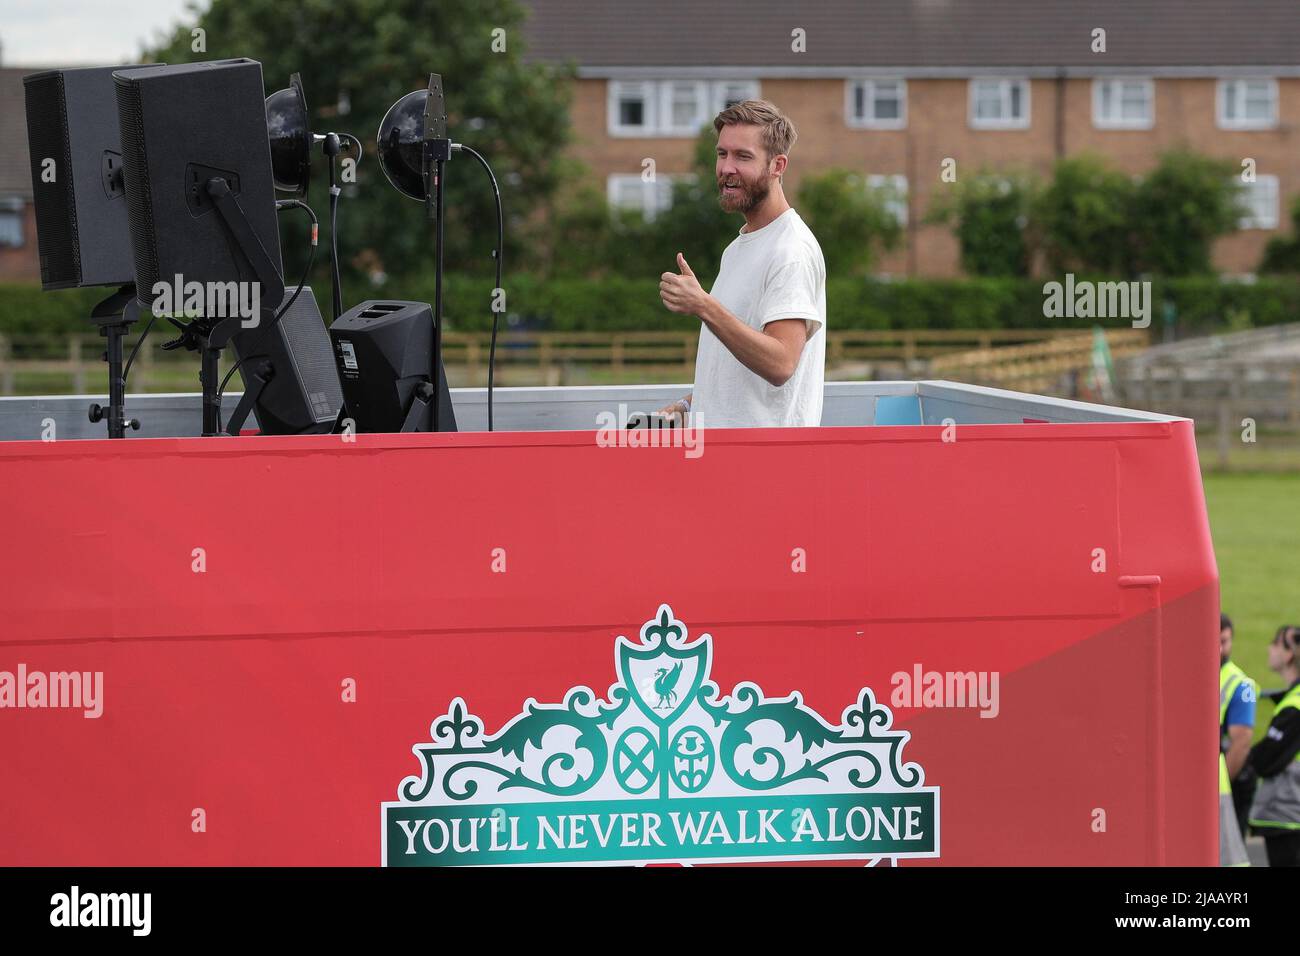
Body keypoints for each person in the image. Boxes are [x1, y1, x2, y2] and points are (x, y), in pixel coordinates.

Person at [657, 99, 826, 429]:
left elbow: (780, 363)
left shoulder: (790, 249)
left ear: (778, 166)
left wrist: (704, 305)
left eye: (743, 156)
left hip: (763, 465)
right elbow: (740, 375)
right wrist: (687, 406)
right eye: (722, 154)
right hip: (722, 459)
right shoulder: (738, 248)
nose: (726, 168)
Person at [1247, 625, 1300, 866]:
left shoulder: (1294, 706)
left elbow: (1266, 759)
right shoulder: (1292, 699)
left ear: (1289, 654)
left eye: (1276, 643)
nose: (1269, 648)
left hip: (1288, 816)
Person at [1219, 613, 1257, 838]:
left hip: (1228, 786)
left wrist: (1222, 787)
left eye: (1224, 641)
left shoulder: (1241, 684)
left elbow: (1241, 743)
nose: (1220, 649)